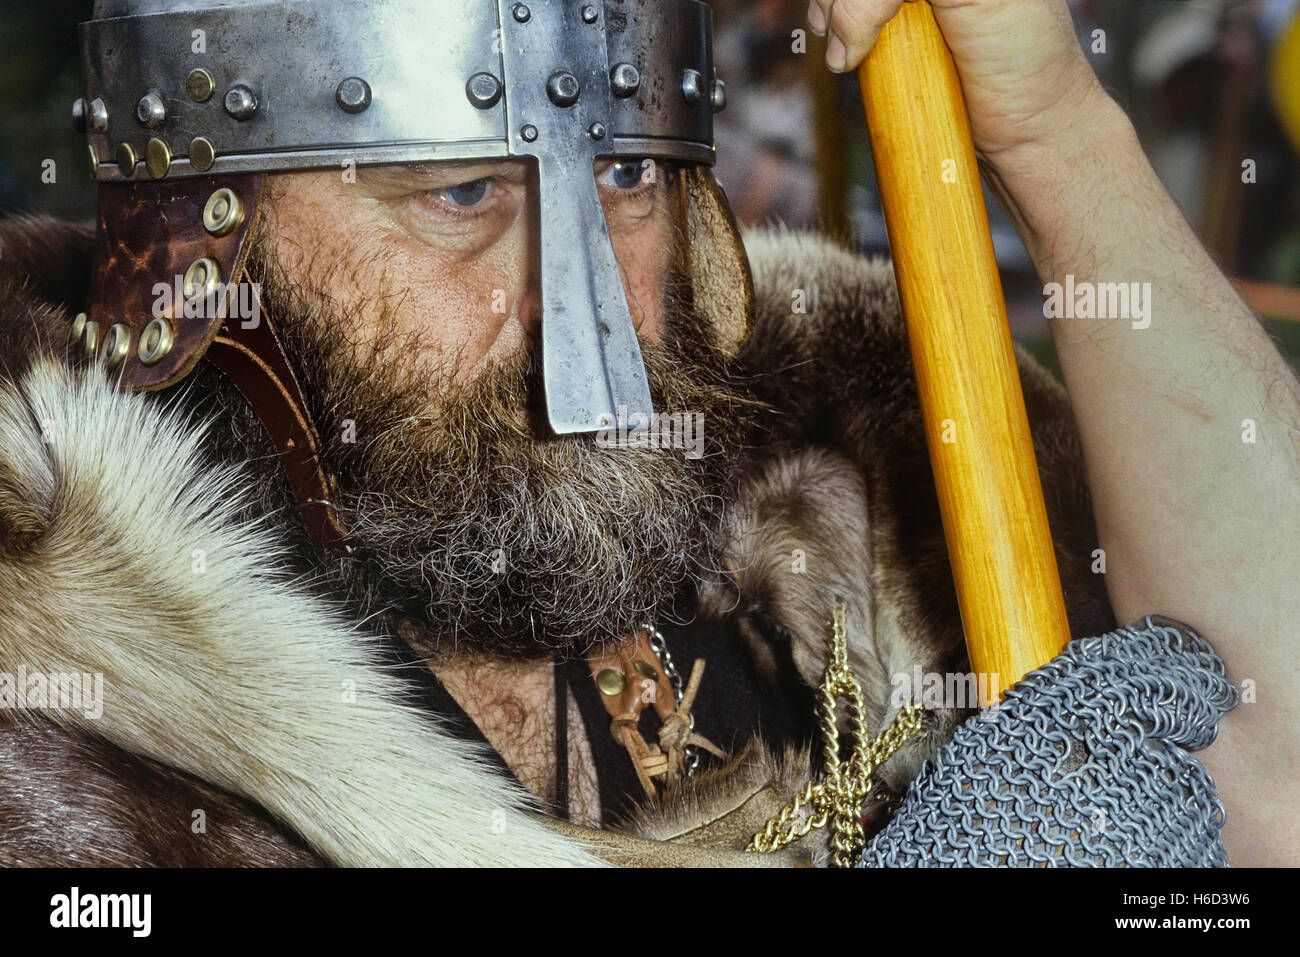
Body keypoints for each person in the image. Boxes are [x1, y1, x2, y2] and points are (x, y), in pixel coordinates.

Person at [0, 0, 1292, 867]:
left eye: (624, 179)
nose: (594, 329)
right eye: (459, 192)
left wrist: (1059, 136)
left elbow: (1277, 762)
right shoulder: (52, 708)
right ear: (191, 242)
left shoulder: (831, 429)